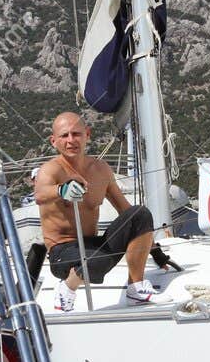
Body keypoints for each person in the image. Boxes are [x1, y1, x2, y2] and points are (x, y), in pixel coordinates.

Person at [34, 111, 155, 312]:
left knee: (139, 213)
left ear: (87, 134)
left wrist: (154, 249)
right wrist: (61, 190)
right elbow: (40, 194)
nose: (71, 140)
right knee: (96, 259)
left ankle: (135, 288)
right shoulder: (50, 170)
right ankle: (66, 288)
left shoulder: (101, 169)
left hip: (93, 244)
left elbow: (125, 210)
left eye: (76, 134)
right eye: (64, 136)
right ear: (53, 141)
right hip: (62, 251)